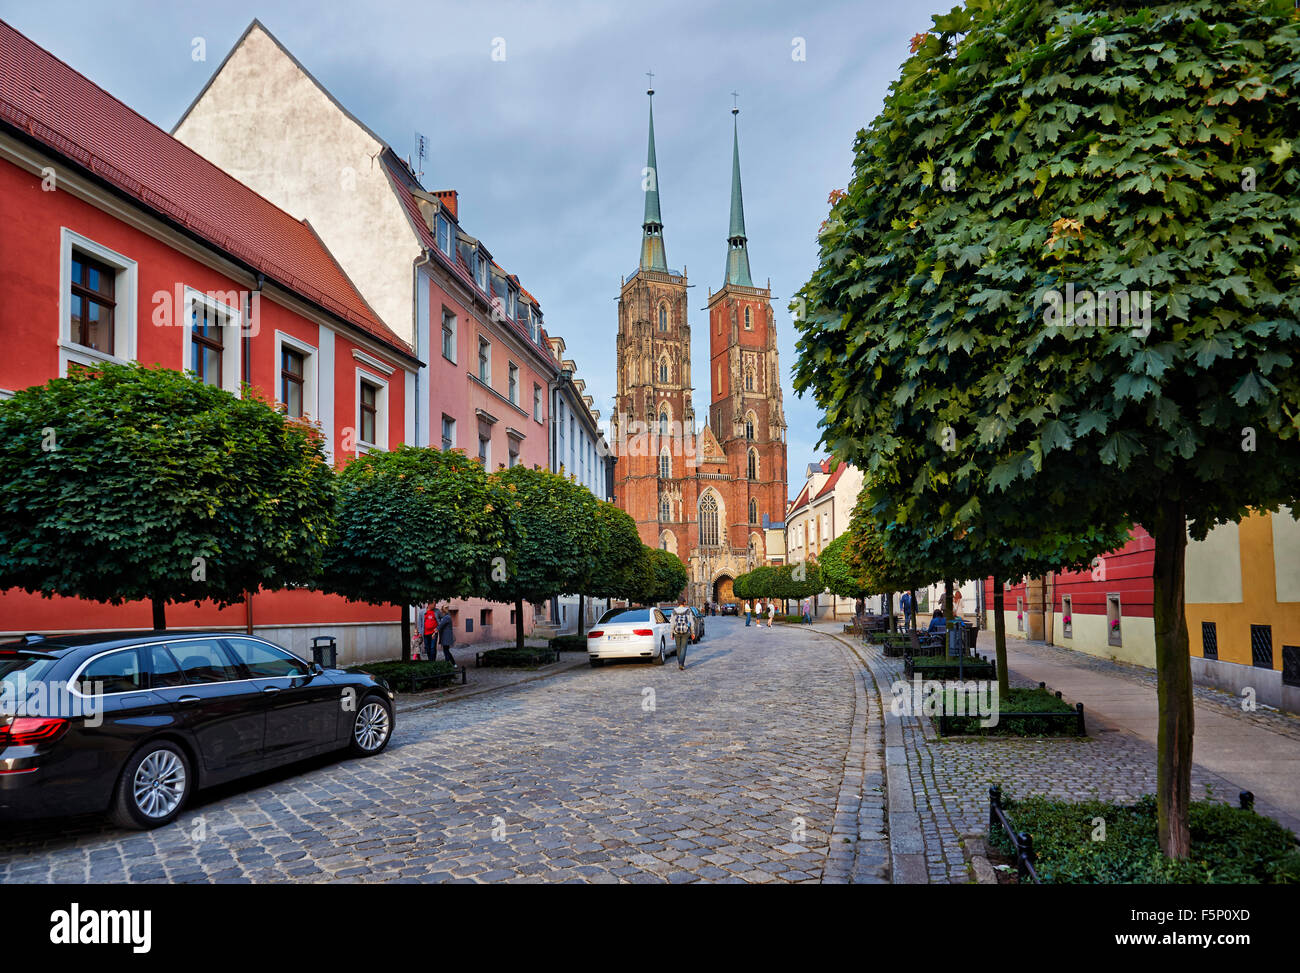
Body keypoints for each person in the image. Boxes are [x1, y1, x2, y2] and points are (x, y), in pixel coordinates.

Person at [671, 596, 693, 669]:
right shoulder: (688, 610)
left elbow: (672, 623)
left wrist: (671, 633)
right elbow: (691, 622)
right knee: (683, 648)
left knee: (678, 648)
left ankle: (679, 663)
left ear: (678, 603)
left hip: (676, 632)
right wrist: (693, 633)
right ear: (684, 603)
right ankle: (681, 664)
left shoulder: (674, 610)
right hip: (686, 632)